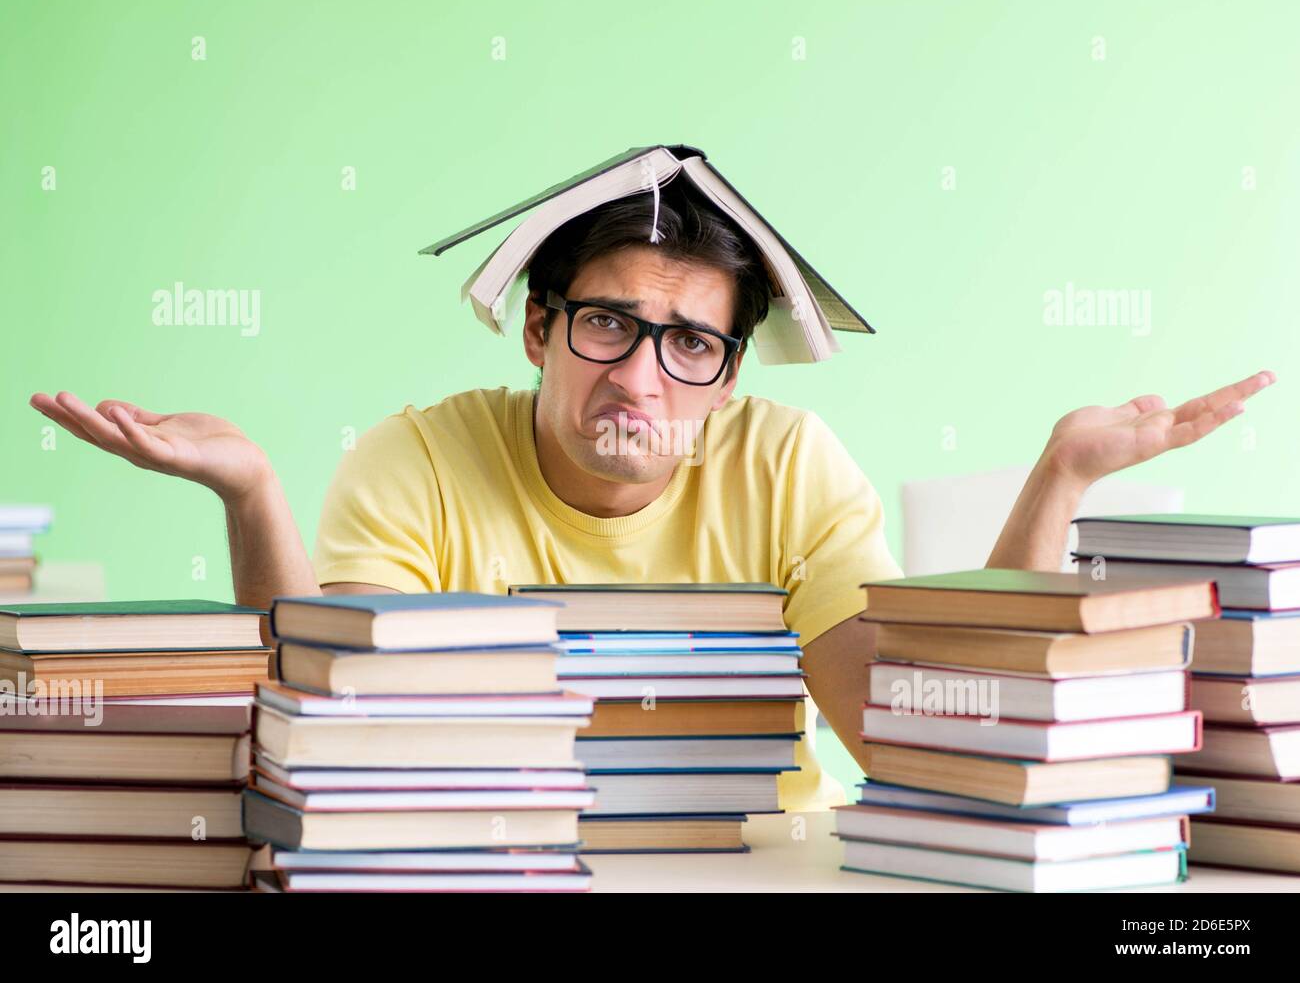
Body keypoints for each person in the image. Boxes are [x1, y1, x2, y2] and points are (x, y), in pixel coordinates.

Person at [30, 179, 1275, 812]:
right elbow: (342, 741)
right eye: (607, 324)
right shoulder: (412, 461)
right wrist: (251, 497)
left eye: (688, 345)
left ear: (728, 378)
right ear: (536, 327)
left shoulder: (788, 465)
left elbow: (912, 742)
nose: (638, 377)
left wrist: (1058, 474)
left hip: (757, 867)